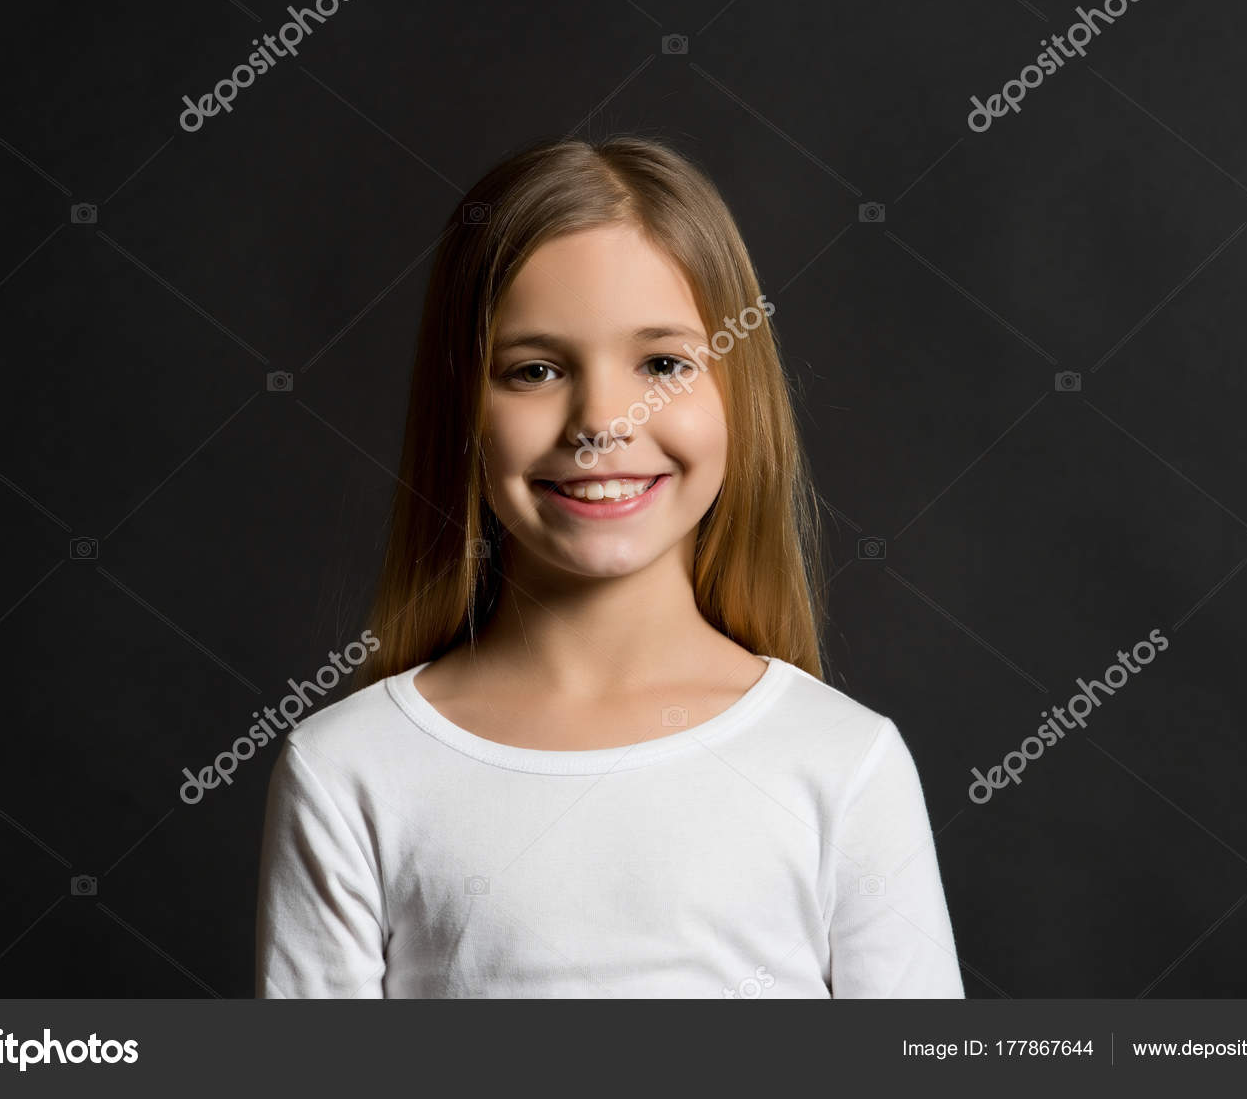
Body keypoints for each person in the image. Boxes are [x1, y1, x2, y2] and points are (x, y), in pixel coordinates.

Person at [255, 135, 965, 998]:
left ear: (739, 393)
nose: (600, 422)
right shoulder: (350, 772)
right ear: (462, 410)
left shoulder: (843, 763)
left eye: (664, 363)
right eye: (535, 369)